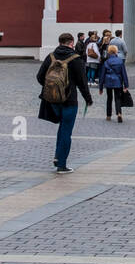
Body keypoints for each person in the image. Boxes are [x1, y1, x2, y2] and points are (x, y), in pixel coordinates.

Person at [37, 32, 93, 173]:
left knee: (61, 129)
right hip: (69, 100)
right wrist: (88, 99)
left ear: (59, 42)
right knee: (66, 131)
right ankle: (61, 163)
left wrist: (52, 88)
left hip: (52, 100)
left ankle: (58, 156)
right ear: (71, 43)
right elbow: (82, 82)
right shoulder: (75, 59)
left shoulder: (50, 57)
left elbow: (39, 77)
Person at [98, 44, 130, 122]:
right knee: (117, 98)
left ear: (109, 52)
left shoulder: (106, 62)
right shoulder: (120, 61)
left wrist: (101, 87)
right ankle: (119, 113)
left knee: (109, 98)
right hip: (118, 81)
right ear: (116, 52)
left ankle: (108, 115)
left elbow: (102, 75)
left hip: (108, 81)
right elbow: (124, 74)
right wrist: (126, 85)